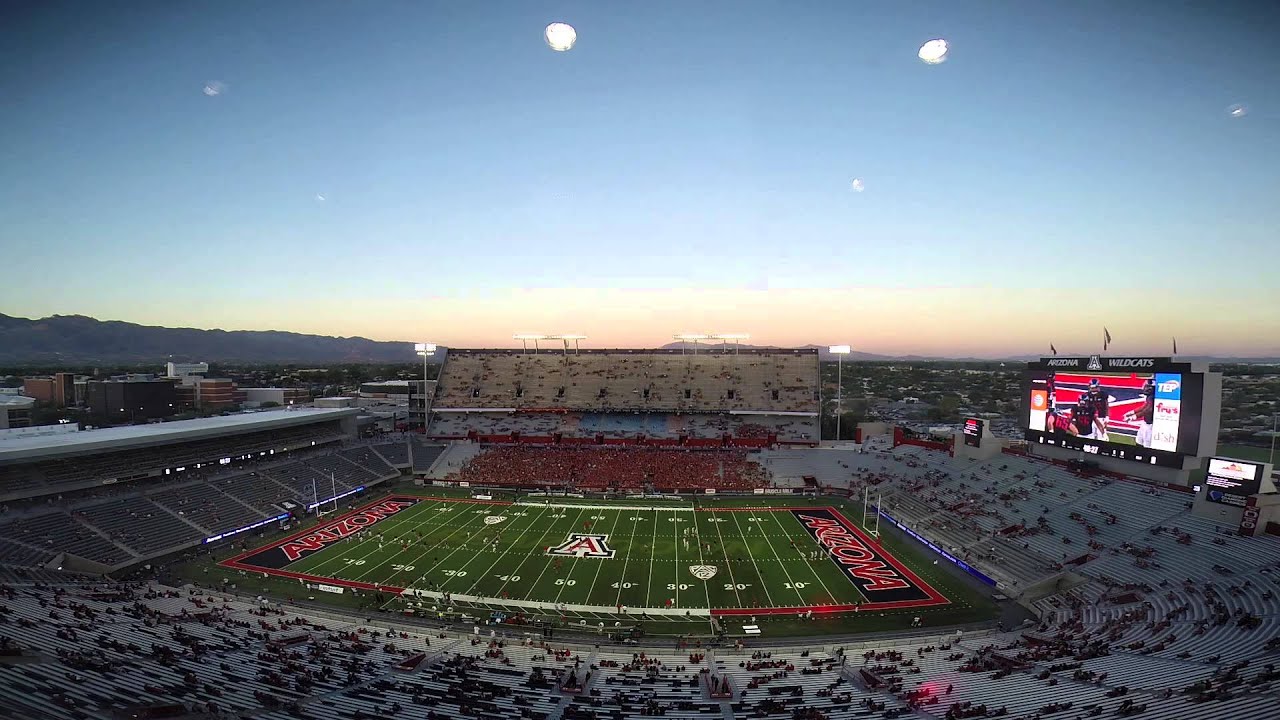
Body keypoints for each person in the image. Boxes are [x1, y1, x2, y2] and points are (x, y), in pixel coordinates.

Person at [1124, 379, 1156, 448]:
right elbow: (1144, 406)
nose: (1145, 388)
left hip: (1150, 425)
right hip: (1145, 423)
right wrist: (1132, 412)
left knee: (1147, 445)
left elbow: (1148, 410)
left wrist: (1133, 417)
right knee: (1139, 441)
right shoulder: (1149, 397)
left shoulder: (1153, 398)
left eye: (1147, 386)